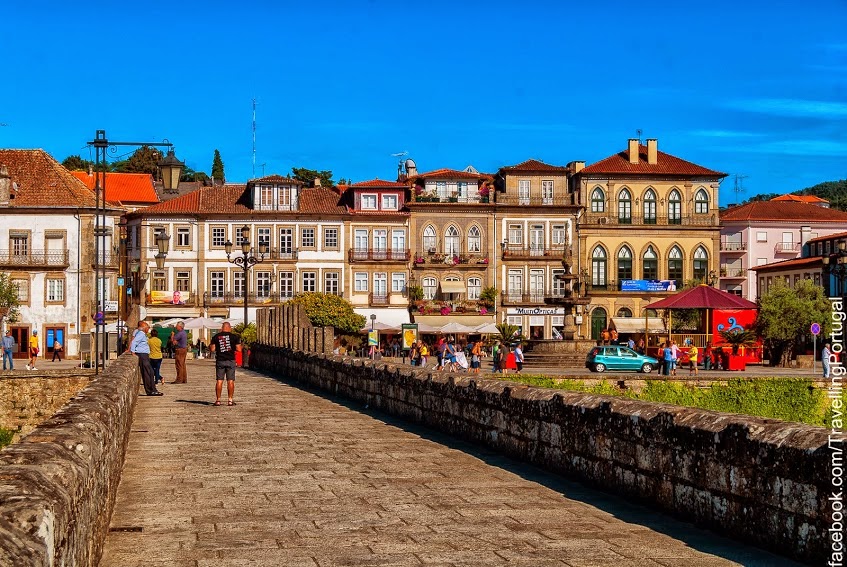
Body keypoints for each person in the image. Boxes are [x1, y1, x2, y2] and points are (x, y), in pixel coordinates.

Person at [209, 322, 242, 406]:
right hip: (230, 360)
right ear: (230, 328)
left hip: (220, 360)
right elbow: (239, 349)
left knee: (219, 381)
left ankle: (218, 400)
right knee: (230, 381)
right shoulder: (234, 337)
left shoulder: (216, 337)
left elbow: (212, 349)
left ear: (222, 328)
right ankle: (230, 400)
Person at [129, 321, 162, 396]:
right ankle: (151, 390)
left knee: (149, 372)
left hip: (144, 355)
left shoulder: (142, 334)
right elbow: (134, 342)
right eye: (148, 327)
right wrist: (133, 352)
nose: (148, 329)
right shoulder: (141, 334)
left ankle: (152, 390)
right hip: (142, 355)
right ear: (144, 328)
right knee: (148, 373)